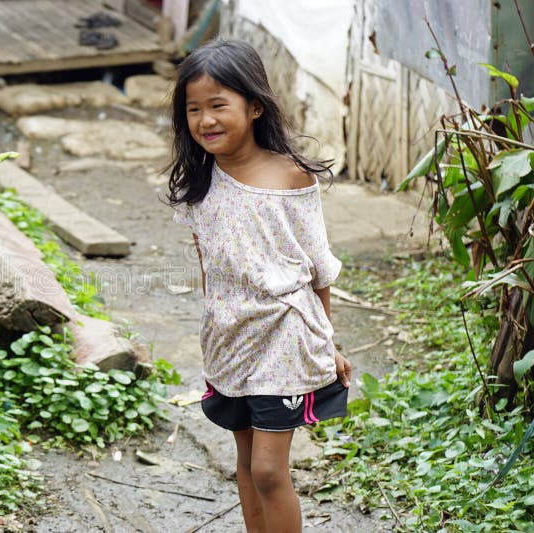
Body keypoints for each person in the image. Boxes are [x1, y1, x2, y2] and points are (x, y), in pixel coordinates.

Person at [168, 39, 352, 533]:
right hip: (229, 339)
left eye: (217, 105)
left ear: (254, 107)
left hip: (284, 339)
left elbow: (319, 269)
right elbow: (211, 270)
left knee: (270, 470)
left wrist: (326, 344)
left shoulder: (291, 177)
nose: (205, 119)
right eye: (193, 109)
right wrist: (217, 324)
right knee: (246, 463)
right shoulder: (200, 183)